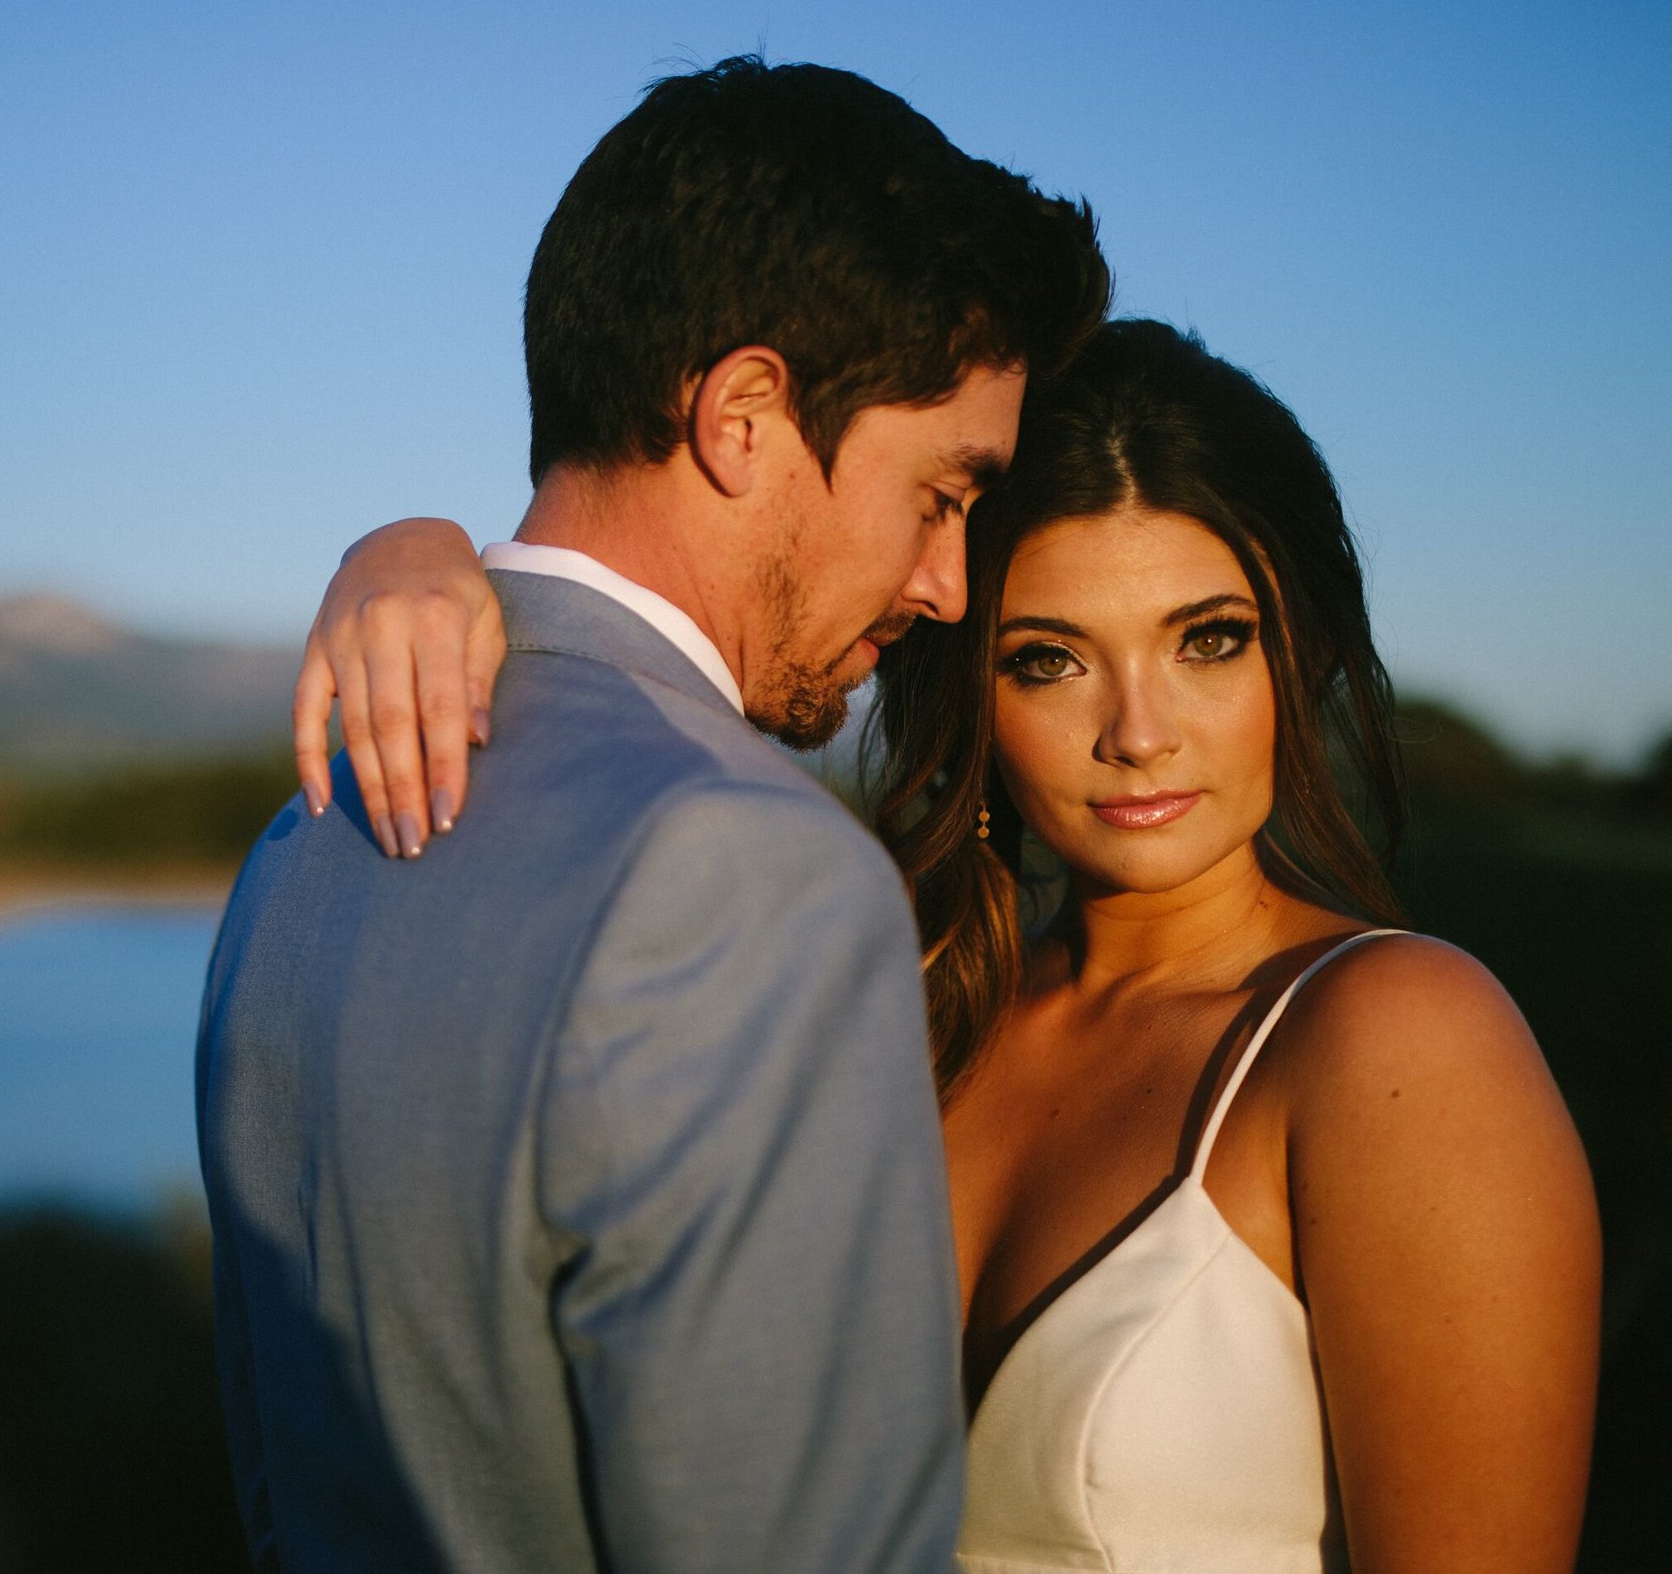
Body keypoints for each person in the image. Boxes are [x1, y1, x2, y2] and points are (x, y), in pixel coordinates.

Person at [294, 320, 1603, 1571]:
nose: (1137, 731)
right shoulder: (910, 1008)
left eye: (1209, 640)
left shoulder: (1394, 1041)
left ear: (1298, 655)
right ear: (967, 679)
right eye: (1049, 661)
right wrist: (417, 558)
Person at [198, 55, 1111, 1573]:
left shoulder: (302, 839)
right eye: (943, 496)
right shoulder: (753, 869)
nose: (947, 583)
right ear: (746, 415)